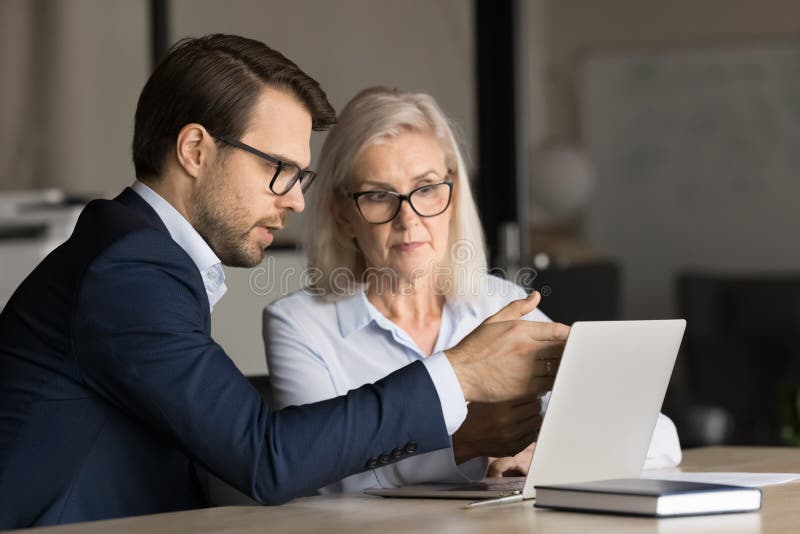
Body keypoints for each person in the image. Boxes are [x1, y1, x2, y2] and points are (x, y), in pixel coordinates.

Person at [0, 35, 569, 529]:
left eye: (302, 176)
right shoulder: (128, 273)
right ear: (195, 150)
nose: (296, 200)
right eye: (279, 170)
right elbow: (267, 458)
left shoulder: (137, 257)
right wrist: (461, 373)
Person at [263, 87, 682, 494]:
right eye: (378, 195)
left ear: (454, 191)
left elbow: (659, 435)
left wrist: (546, 452)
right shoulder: (300, 325)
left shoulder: (500, 304)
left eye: (426, 189)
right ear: (342, 214)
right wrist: (464, 445)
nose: (408, 220)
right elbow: (319, 477)